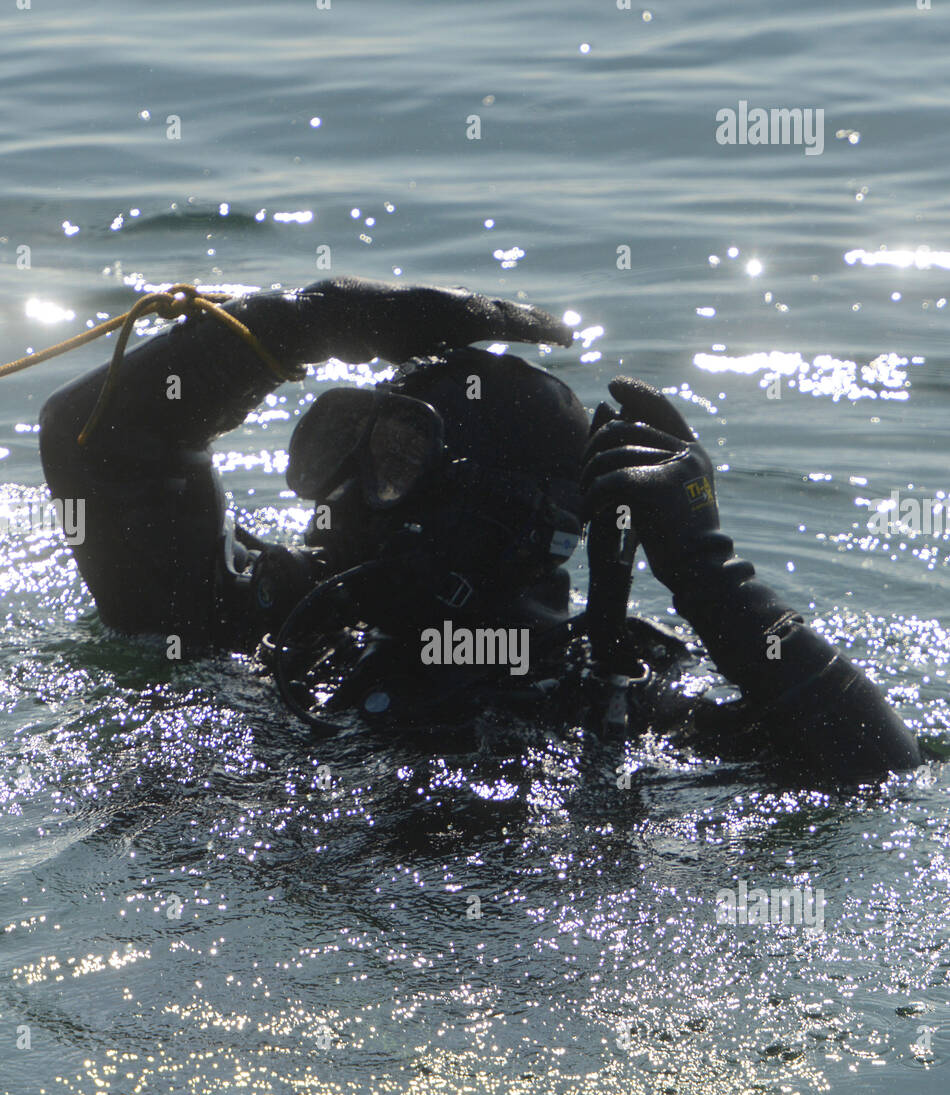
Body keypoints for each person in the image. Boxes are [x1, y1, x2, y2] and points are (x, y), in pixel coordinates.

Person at [38, 274, 921, 783]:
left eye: (390, 457)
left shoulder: (606, 701)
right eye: (340, 439)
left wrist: (706, 569)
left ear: (498, 520)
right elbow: (99, 445)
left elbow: (877, 775)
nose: (338, 491)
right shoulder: (274, 629)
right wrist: (303, 324)